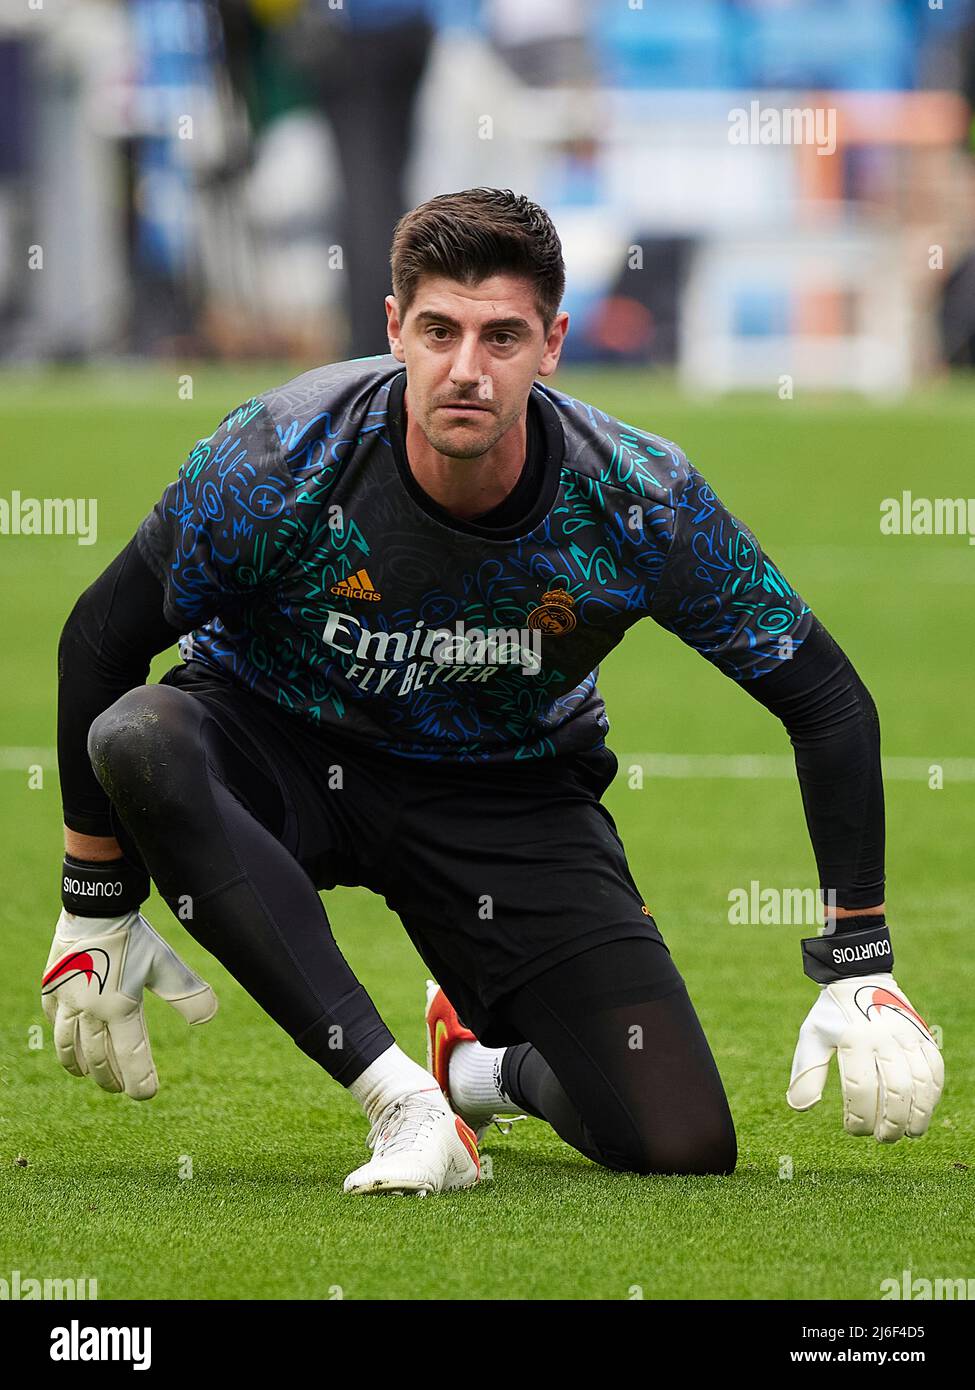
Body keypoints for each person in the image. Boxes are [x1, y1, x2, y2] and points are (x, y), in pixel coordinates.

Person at [45, 188, 943, 1196]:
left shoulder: (638, 495)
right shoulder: (274, 457)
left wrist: (860, 959)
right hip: (280, 749)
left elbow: (825, 698)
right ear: (395, 330)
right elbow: (99, 637)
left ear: (553, 343)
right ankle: (401, 1102)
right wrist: (96, 897)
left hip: (506, 792)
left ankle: (474, 1068)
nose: (466, 368)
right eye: (438, 330)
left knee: (678, 1138)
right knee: (142, 737)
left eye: (502, 336)